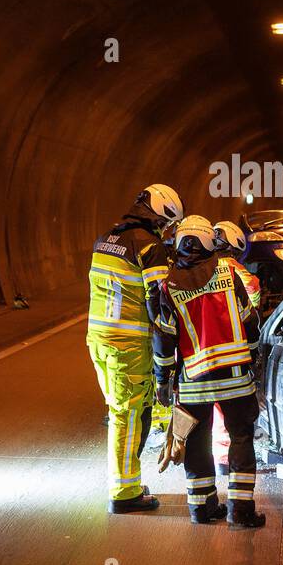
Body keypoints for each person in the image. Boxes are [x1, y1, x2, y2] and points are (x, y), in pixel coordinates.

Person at [152, 216, 266, 528]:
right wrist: (253, 353)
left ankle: (201, 509)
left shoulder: (169, 285)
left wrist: (163, 381)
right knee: (241, 437)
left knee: (197, 440)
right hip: (235, 378)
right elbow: (249, 320)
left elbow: (164, 339)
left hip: (193, 382)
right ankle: (241, 511)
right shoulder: (229, 272)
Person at [86, 184, 182, 514]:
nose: (167, 232)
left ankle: (126, 480)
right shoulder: (149, 247)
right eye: (168, 225)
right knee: (126, 415)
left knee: (122, 410)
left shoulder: (105, 239)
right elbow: (158, 304)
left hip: (99, 339)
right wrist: (168, 347)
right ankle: (125, 492)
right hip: (128, 344)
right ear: (161, 216)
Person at [209, 221, 262, 474]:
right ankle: (226, 461)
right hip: (233, 349)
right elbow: (252, 305)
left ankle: (215, 458)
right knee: (232, 410)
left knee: (211, 407)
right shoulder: (236, 271)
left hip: (200, 349)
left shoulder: (198, 266)